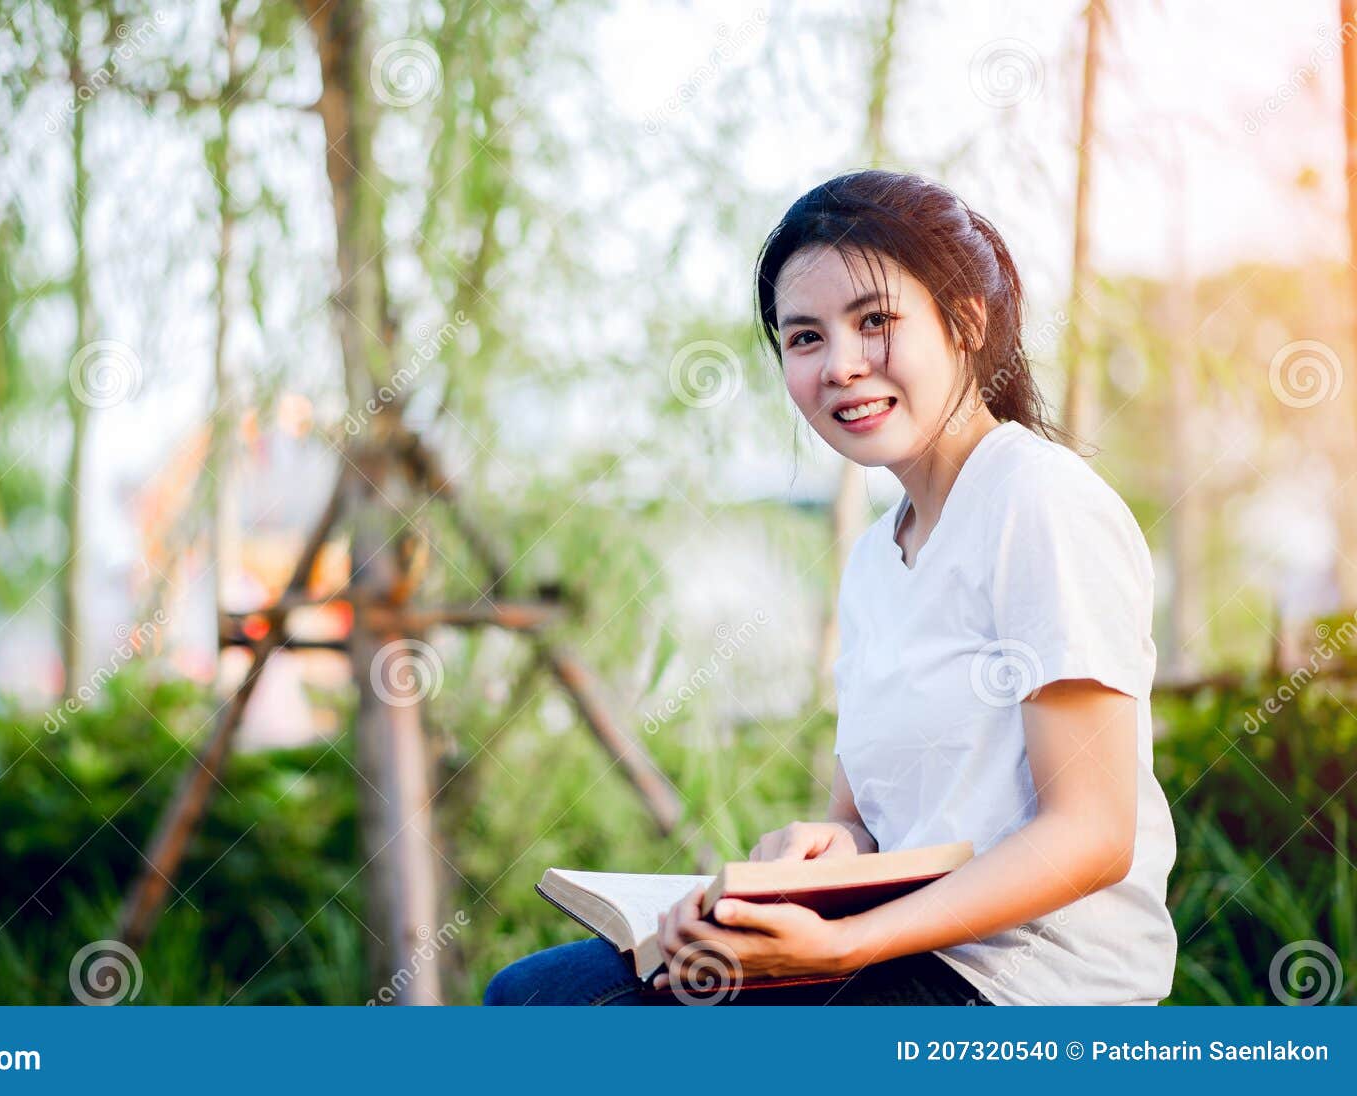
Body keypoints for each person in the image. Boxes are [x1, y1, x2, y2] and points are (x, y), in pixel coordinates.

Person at [483, 170, 1177, 1006]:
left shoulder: (1038, 500)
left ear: (965, 322)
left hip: (1023, 988)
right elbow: (866, 824)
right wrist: (819, 853)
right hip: (904, 943)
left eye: (875, 321)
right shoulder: (876, 558)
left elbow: (1093, 835)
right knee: (528, 995)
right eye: (805, 338)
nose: (841, 366)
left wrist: (841, 942)